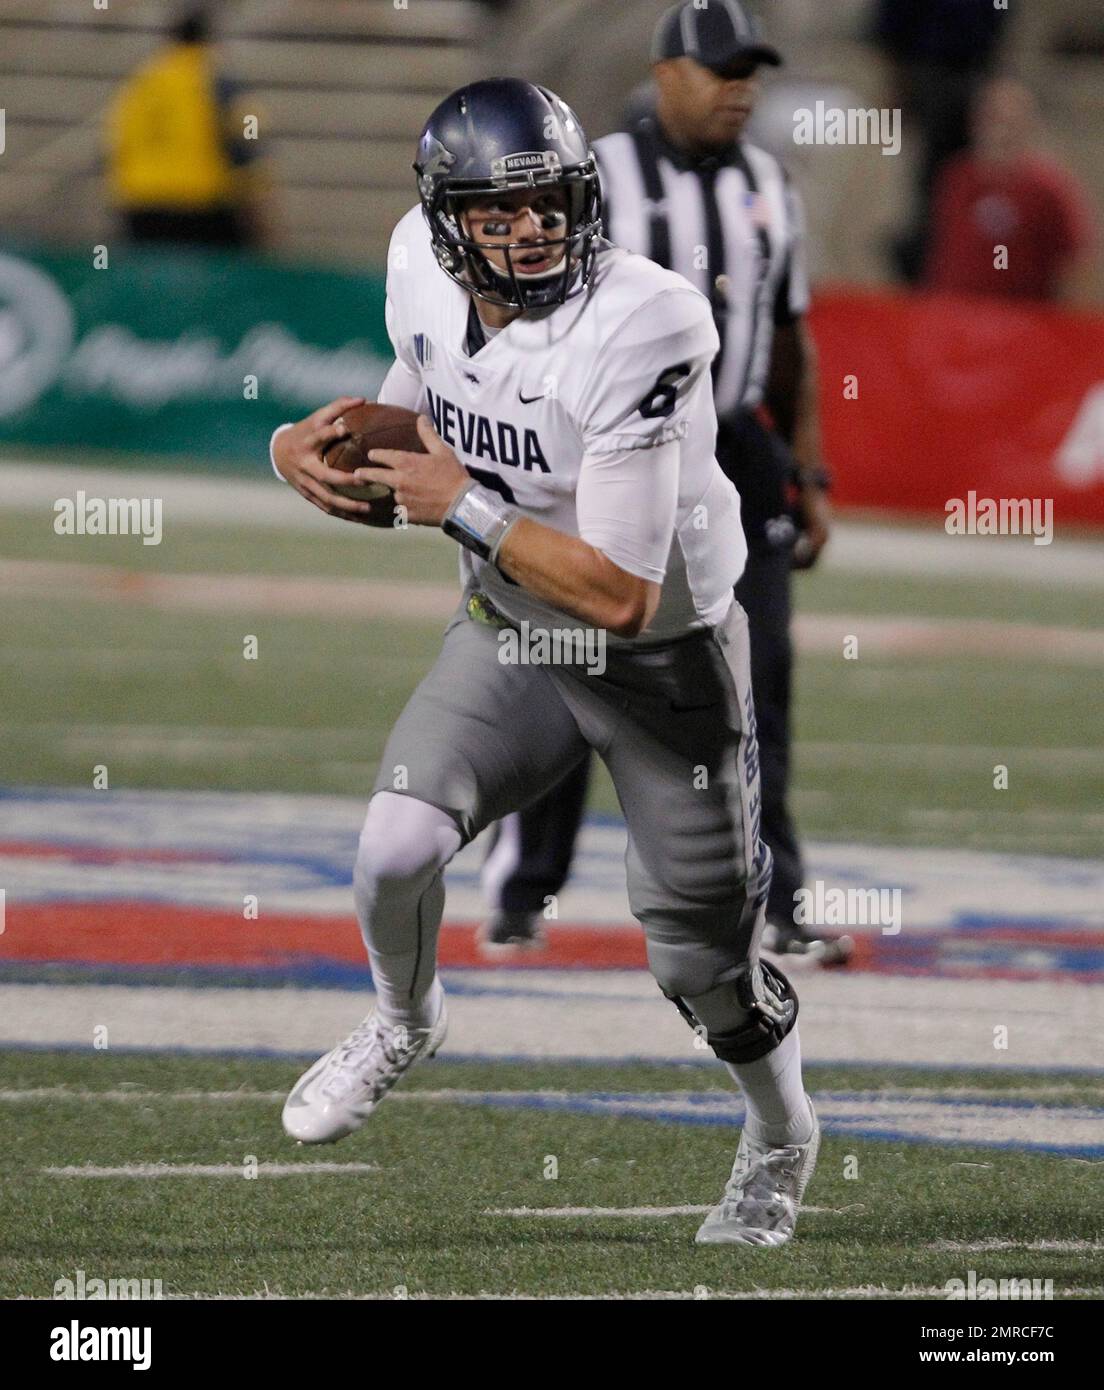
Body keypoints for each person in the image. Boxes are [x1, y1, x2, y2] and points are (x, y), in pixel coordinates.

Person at [271, 77, 819, 1246]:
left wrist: (458, 504)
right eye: (499, 211)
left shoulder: (648, 318)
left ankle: (781, 1136)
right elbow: (422, 418)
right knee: (393, 847)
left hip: (663, 654)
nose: (533, 230)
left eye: (551, 204)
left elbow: (621, 592)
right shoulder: (416, 267)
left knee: (705, 968)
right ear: (441, 219)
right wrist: (306, 448)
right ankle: (403, 1021)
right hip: (517, 622)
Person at [479, 0, 850, 965]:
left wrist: (807, 471)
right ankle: (527, 889)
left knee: (756, 675)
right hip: (608, 449)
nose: (742, 91)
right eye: (724, 72)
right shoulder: (592, 173)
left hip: (733, 448)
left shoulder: (772, 182)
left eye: (752, 73)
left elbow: (795, 338)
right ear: (667, 73)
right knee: (576, 665)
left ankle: (777, 899)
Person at [105, 4, 268, 248]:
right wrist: (256, 199)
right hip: (200, 205)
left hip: (139, 203)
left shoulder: (140, 84)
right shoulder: (216, 80)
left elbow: (116, 141)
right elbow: (244, 140)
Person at [924, 78, 1096, 304]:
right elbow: (944, 251)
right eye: (992, 119)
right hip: (955, 316)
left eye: (1010, 122)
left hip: (1019, 322)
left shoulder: (1048, 189)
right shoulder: (957, 176)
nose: (1000, 130)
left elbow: (1075, 264)